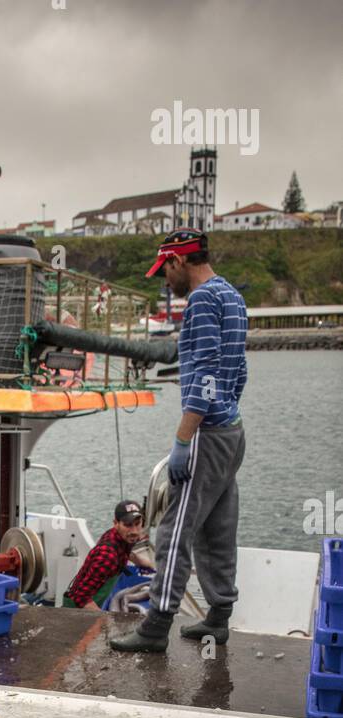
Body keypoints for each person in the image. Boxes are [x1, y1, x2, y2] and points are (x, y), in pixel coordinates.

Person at [110, 228, 247, 654]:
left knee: (173, 531)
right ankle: (219, 617)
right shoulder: (233, 296)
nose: (164, 282)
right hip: (231, 430)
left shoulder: (203, 299)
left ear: (178, 261)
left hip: (206, 434)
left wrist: (183, 438)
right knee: (217, 529)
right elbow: (237, 370)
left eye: (164, 271)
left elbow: (204, 372)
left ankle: (155, 628)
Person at [63, 500, 147, 610]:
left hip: (95, 601)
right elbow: (81, 597)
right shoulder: (107, 556)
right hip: (78, 609)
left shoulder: (124, 536)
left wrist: (146, 564)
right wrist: (103, 620)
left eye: (137, 524)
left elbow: (127, 552)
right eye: (128, 525)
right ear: (116, 523)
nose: (134, 531)